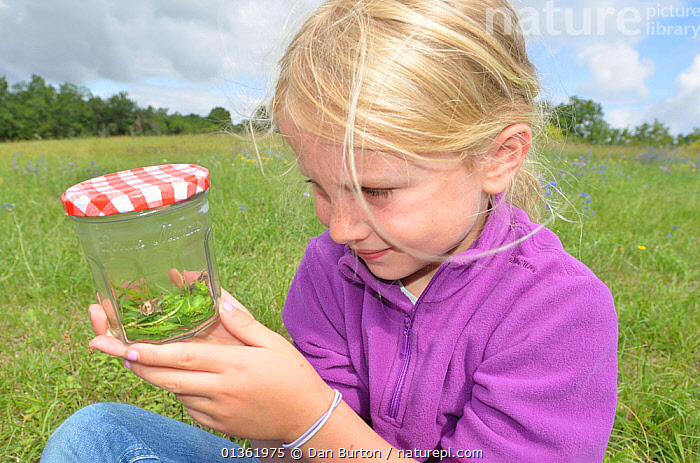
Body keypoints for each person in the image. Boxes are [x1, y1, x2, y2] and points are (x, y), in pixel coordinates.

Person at [41, 0, 618, 461]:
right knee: (97, 434)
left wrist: (307, 421)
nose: (341, 229)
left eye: (378, 191)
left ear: (499, 157)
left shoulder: (560, 311)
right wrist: (239, 385)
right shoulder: (331, 269)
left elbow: (319, 433)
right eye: (320, 186)